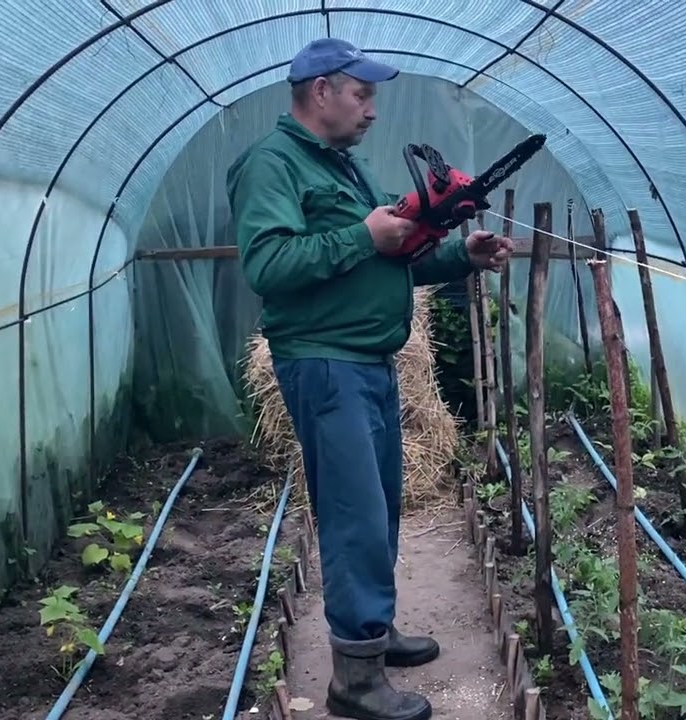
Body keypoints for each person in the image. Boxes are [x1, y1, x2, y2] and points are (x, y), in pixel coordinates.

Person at [226, 38, 514, 720]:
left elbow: (395, 259)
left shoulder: (345, 169)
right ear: (320, 90)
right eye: (363, 94)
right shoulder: (270, 165)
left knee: (378, 507)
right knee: (355, 515)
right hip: (325, 362)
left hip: (368, 361)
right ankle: (353, 681)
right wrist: (364, 237)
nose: (373, 110)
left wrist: (462, 256)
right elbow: (266, 266)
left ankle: (373, 636)